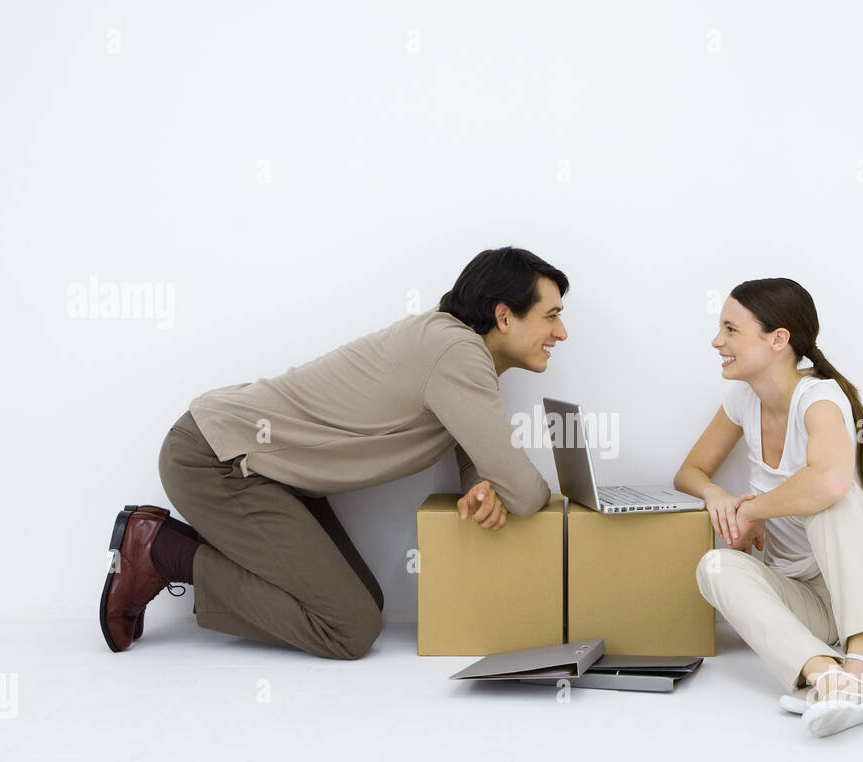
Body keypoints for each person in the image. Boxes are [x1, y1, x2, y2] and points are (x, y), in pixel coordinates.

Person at [100, 246, 569, 658]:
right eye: (551, 316)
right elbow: (526, 496)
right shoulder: (456, 353)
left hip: (262, 468)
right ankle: (159, 550)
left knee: (365, 602)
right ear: (505, 316)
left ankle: (170, 551)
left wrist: (482, 489)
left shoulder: (455, 353)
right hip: (216, 459)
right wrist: (503, 487)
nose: (562, 333)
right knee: (350, 628)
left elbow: (475, 455)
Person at [673, 278, 863, 738]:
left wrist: (752, 511)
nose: (718, 341)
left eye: (731, 329)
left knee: (833, 498)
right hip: (812, 598)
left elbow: (830, 480)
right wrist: (719, 496)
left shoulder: (820, 396)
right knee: (714, 566)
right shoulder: (742, 400)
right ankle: (826, 676)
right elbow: (690, 470)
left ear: (778, 339)